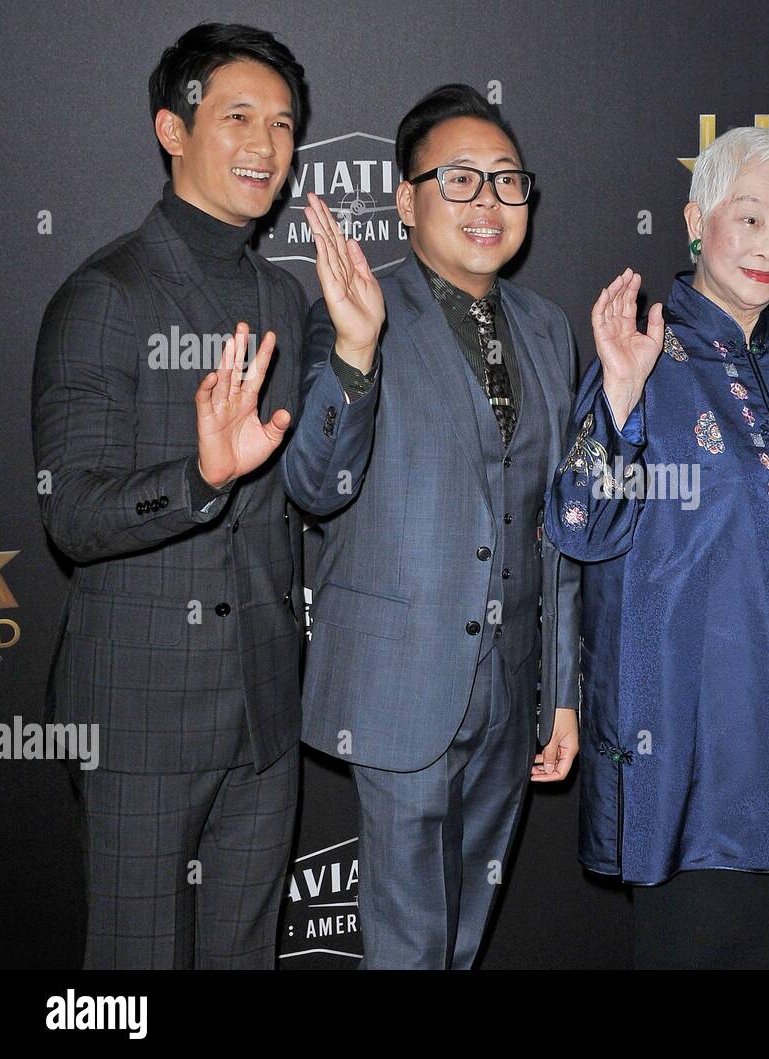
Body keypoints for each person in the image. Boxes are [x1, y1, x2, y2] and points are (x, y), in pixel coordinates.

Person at [545, 127, 769, 970]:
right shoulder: (646, 351)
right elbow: (579, 525)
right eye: (749, 218)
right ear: (696, 219)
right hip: (690, 741)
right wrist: (618, 400)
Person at [281, 84, 580, 970]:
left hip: (509, 689)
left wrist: (560, 687)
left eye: (506, 180)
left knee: (461, 934)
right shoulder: (354, 310)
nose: (488, 202)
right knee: (408, 945)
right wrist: (356, 354)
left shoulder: (547, 328)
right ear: (405, 200)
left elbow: (555, 525)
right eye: (459, 180)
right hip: (400, 682)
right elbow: (314, 484)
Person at [31, 23, 310, 969]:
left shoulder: (285, 300)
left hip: (267, 712)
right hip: (142, 714)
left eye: (282, 122)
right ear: (171, 128)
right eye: (238, 116)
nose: (266, 144)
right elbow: (71, 512)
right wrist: (199, 479)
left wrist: (354, 361)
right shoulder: (104, 295)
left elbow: (311, 485)